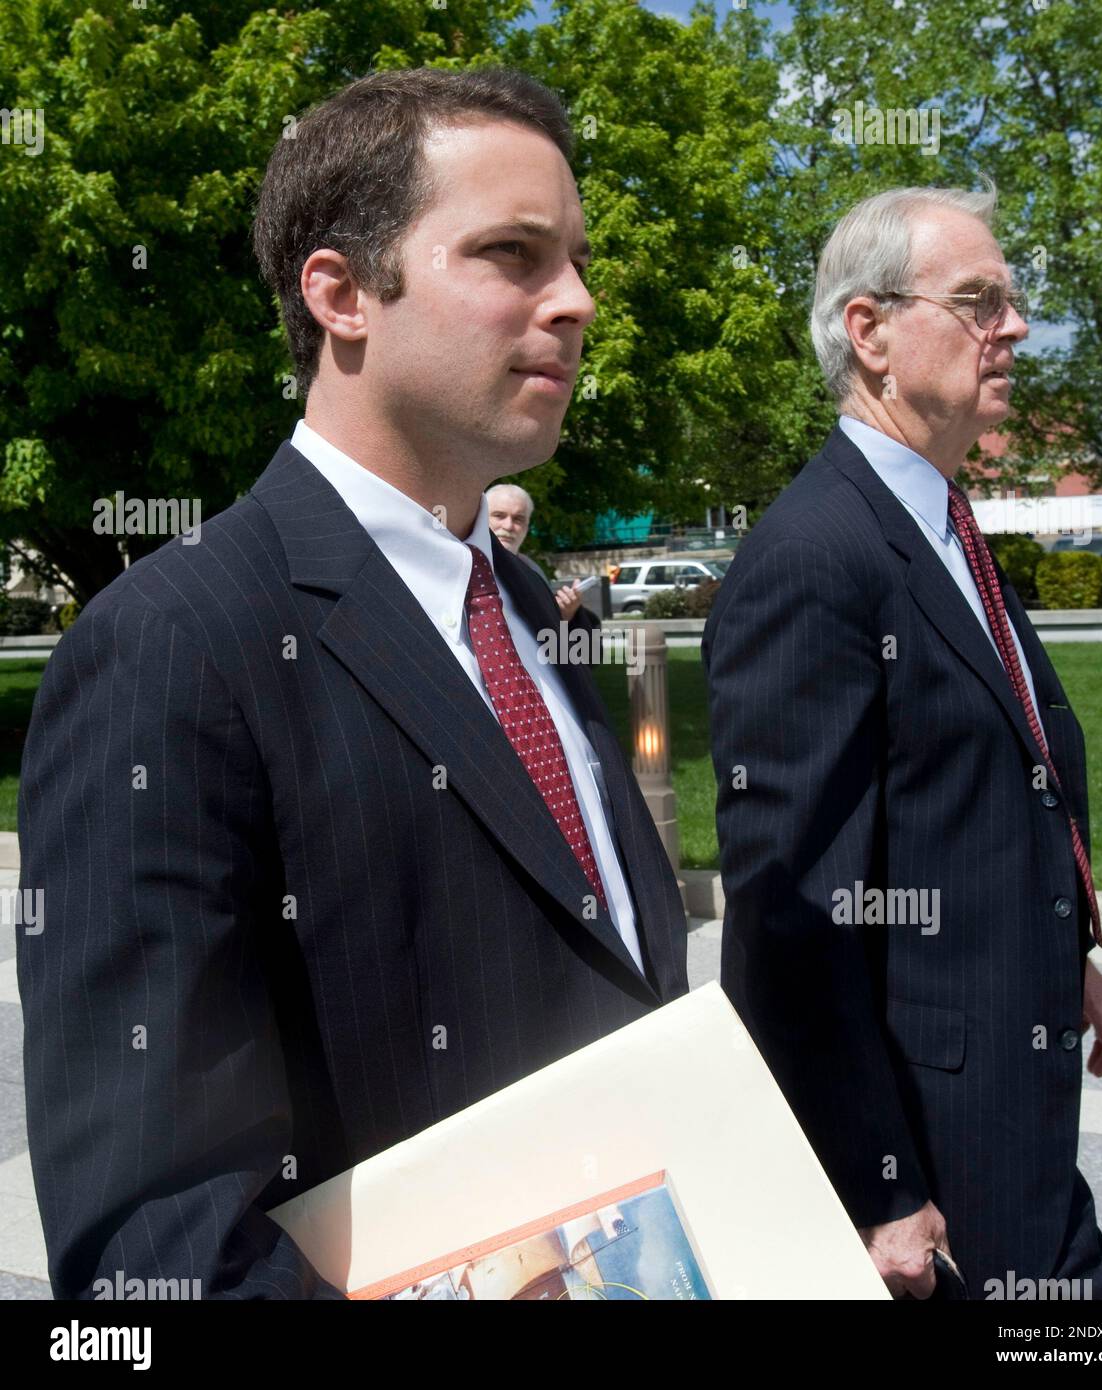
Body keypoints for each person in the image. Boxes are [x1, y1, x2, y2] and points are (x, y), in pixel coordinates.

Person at [17, 66, 688, 1300]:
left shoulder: (530, 610)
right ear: (339, 295)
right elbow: (153, 1254)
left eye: (578, 262)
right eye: (511, 255)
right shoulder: (171, 643)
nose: (578, 303)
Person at [703, 184, 1102, 1301]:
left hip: (1011, 1110)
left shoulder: (937, 520)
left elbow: (979, 787)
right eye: (979, 299)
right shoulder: (814, 555)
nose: (1016, 328)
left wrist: (1061, 956)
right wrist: (875, 1187)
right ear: (869, 331)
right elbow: (791, 914)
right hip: (929, 1154)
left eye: (1011, 300)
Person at [485, 481, 598, 627]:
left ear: (527, 525)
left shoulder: (533, 571)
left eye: (518, 519)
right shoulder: (467, 565)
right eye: (499, 516)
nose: (508, 526)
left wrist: (564, 614)